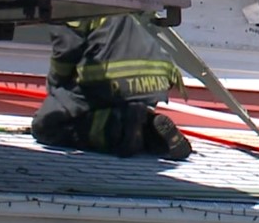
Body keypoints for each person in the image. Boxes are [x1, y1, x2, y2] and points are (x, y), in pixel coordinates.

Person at [31, 12, 193, 160]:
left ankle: (115, 130)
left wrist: (56, 87)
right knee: (100, 111)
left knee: (46, 126)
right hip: (158, 77)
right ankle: (152, 132)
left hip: (112, 79)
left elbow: (67, 49)